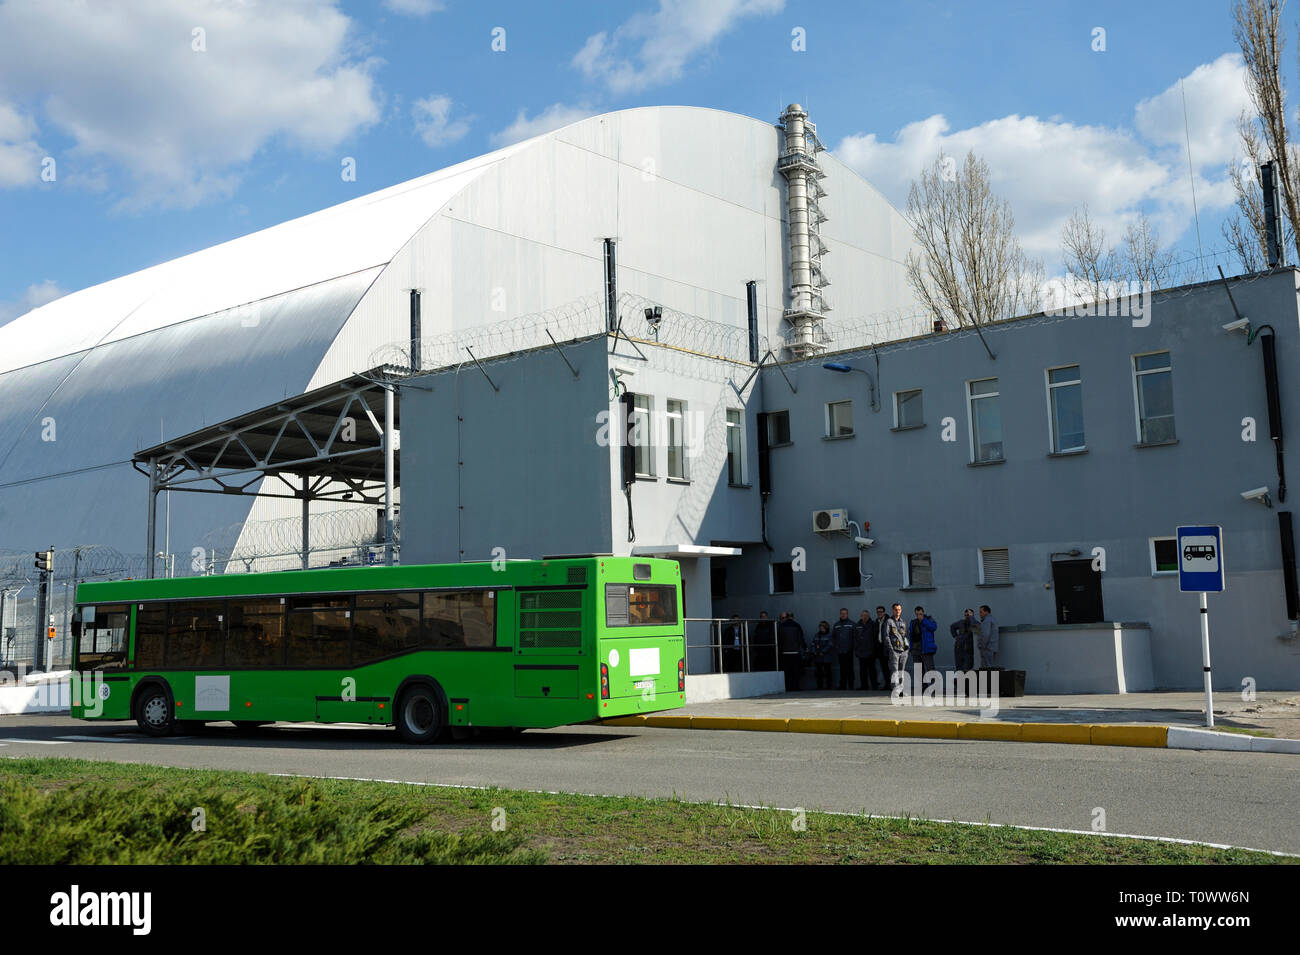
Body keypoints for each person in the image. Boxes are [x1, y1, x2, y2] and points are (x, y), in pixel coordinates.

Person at [880, 603, 910, 686]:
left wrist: (907, 649)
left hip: (903, 651)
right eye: (896, 609)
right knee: (894, 671)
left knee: (902, 671)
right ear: (893, 610)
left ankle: (901, 689)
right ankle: (895, 689)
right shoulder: (889, 621)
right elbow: (886, 636)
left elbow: (906, 636)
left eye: (899, 609)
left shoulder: (903, 622)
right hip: (894, 650)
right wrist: (891, 649)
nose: (898, 611)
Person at [776, 611, 806, 692]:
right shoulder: (797, 625)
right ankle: (795, 687)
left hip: (784, 652)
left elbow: (778, 639)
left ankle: (788, 687)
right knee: (795, 671)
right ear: (793, 617)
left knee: (787, 671)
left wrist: (780, 650)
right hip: (795, 652)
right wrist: (804, 648)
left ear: (786, 617)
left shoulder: (781, 626)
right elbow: (800, 639)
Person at [831, 607, 856, 691]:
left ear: (847, 614)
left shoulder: (852, 624)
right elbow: (833, 637)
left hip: (849, 650)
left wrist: (852, 647)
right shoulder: (836, 625)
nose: (843, 615)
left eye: (845, 613)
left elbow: (855, 637)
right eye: (842, 613)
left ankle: (851, 685)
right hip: (840, 650)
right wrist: (836, 647)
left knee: (850, 668)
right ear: (840, 614)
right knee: (842, 669)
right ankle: (843, 685)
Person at [853, 609, 879, 690]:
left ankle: (874, 685)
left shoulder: (873, 624)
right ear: (861, 616)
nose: (864, 617)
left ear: (868, 616)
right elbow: (855, 638)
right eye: (863, 615)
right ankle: (864, 686)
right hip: (861, 652)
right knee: (862, 671)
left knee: (872, 670)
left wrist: (874, 650)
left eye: (866, 616)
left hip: (871, 652)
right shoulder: (858, 625)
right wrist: (857, 650)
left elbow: (875, 638)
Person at [908, 606, 938, 675]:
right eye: (917, 614)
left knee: (930, 670)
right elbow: (911, 635)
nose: (919, 616)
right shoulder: (913, 622)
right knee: (918, 671)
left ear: (923, 613)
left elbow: (933, 627)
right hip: (915, 649)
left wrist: (923, 620)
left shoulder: (929, 619)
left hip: (926, 649)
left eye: (920, 614)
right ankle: (922, 686)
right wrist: (911, 648)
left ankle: (935, 685)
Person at [810, 620, 834, 690]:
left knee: (827, 672)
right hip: (818, 657)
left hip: (827, 657)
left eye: (822, 627)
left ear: (826, 627)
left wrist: (823, 652)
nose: (821, 628)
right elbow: (813, 644)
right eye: (820, 626)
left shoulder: (829, 635)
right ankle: (819, 685)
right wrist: (814, 651)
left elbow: (830, 645)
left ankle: (829, 686)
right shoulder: (816, 635)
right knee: (819, 672)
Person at [871, 605, 891, 688]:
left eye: (881, 612)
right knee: (883, 667)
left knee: (890, 667)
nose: (879, 613)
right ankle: (887, 684)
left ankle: (892, 685)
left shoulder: (889, 621)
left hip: (887, 647)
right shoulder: (876, 622)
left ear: (884, 612)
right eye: (878, 612)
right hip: (879, 648)